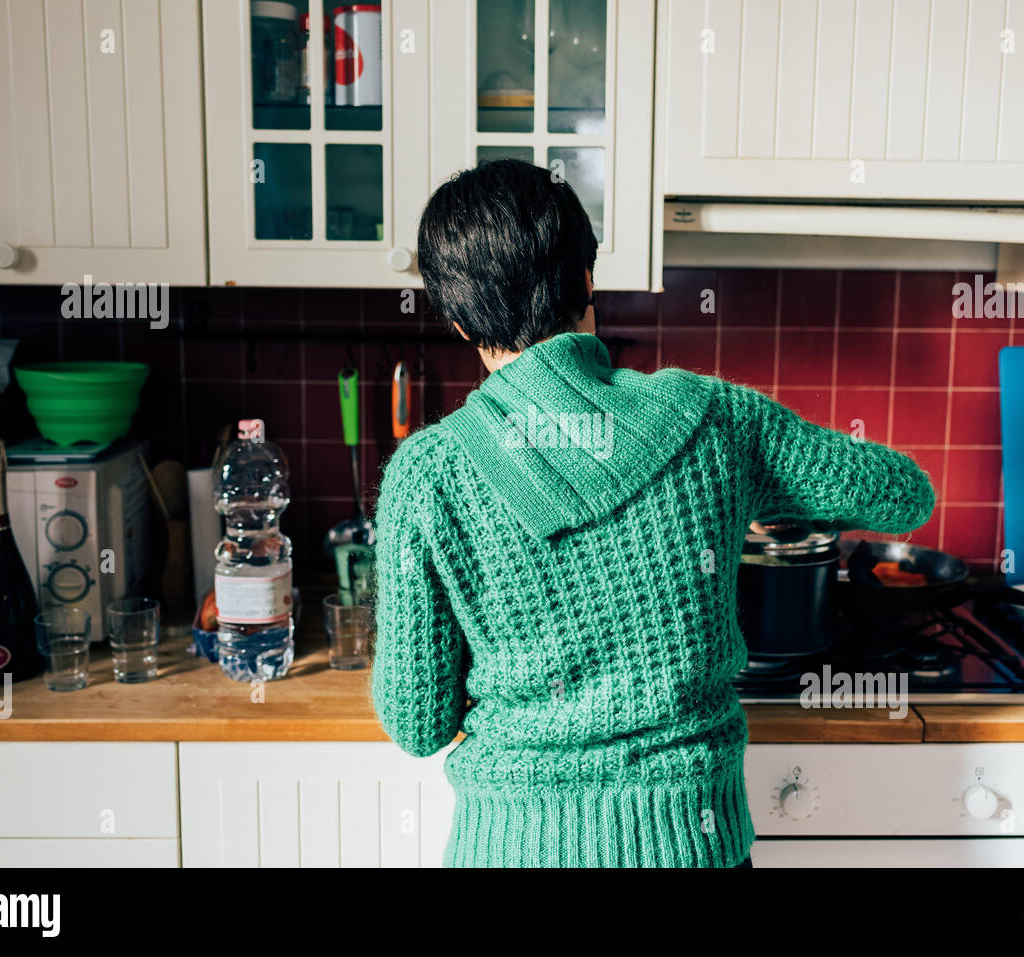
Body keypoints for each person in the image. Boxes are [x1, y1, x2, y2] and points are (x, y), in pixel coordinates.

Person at [369, 159, 935, 867]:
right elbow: (902, 494)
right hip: (690, 841)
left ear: (456, 321)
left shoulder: (429, 474)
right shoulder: (715, 419)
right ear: (586, 281)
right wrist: (746, 498)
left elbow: (419, 723)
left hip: (514, 847)